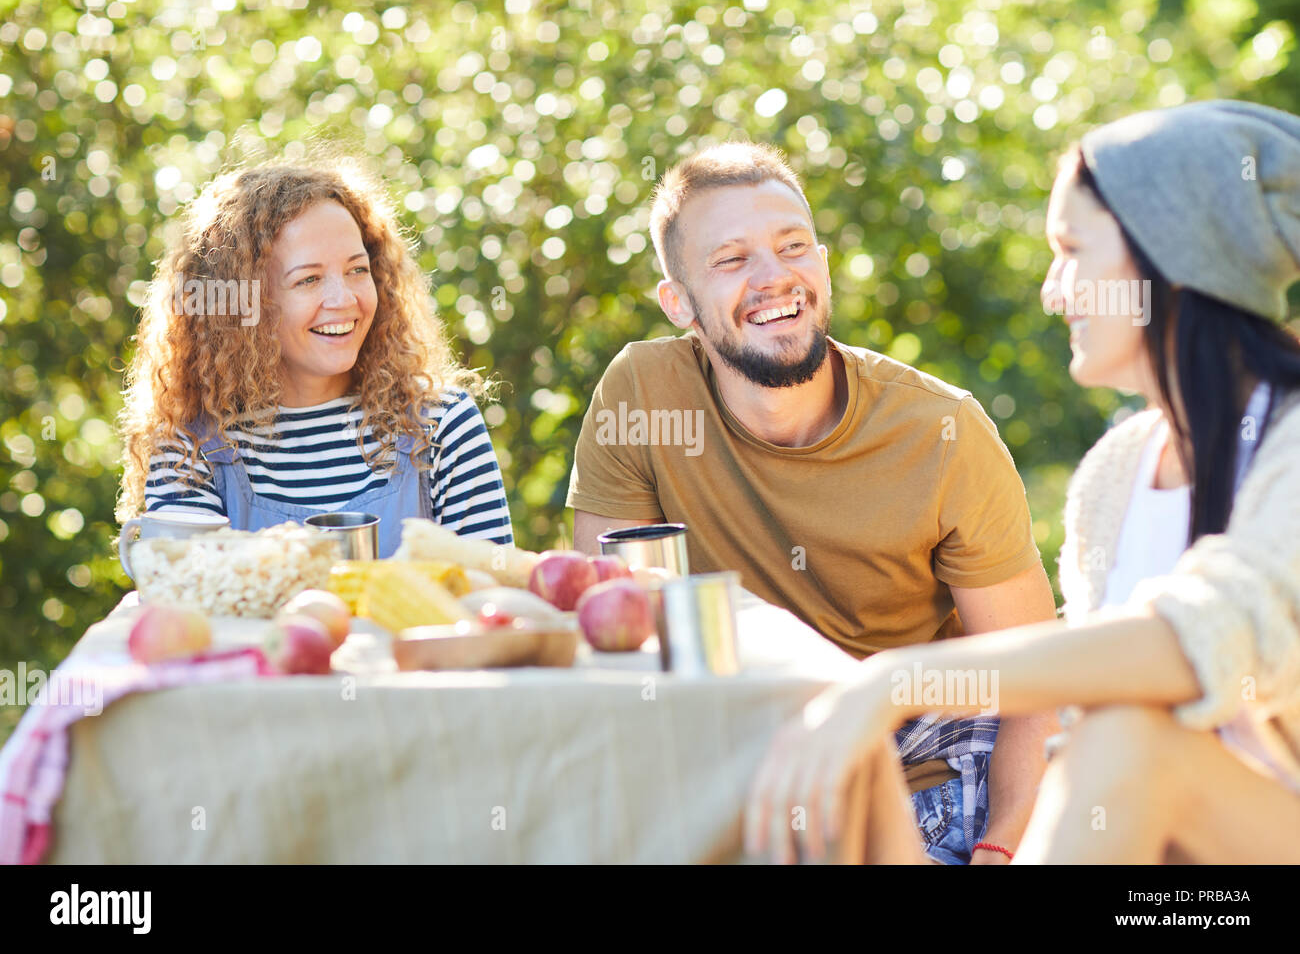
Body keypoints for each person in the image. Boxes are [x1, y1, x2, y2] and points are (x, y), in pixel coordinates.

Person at [746, 100, 1300, 864]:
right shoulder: (1115, 473)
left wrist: (900, 679)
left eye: (1071, 249)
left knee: (1129, 735)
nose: (1052, 290)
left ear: (1172, 256)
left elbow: (1204, 637)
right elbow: (1080, 726)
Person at [566, 142, 1060, 863]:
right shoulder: (642, 395)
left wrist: (1001, 851)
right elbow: (619, 640)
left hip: (922, 782)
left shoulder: (942, 431)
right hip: (730, 776)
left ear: (823, 265)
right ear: (680, 304)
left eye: (792, 247)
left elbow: (1035, 681)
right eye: (731, 260)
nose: (775, 277)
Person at [117, 155, 513, 556]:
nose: (344, 300)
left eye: (357, 270)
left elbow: (493, 599)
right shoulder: (190, 451)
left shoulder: (442, 426)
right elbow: (190, 607)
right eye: (308, 279)